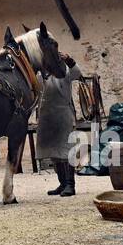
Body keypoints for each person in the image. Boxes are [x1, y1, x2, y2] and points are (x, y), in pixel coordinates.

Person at [38, 56, 84, 197]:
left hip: (63, 115)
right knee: (54, 152)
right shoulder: (41, 78)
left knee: (66, 150)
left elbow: (77, 74)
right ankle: (62, 183)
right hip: (47, 117)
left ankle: (70, 185)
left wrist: (70, 61)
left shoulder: (64, 74)